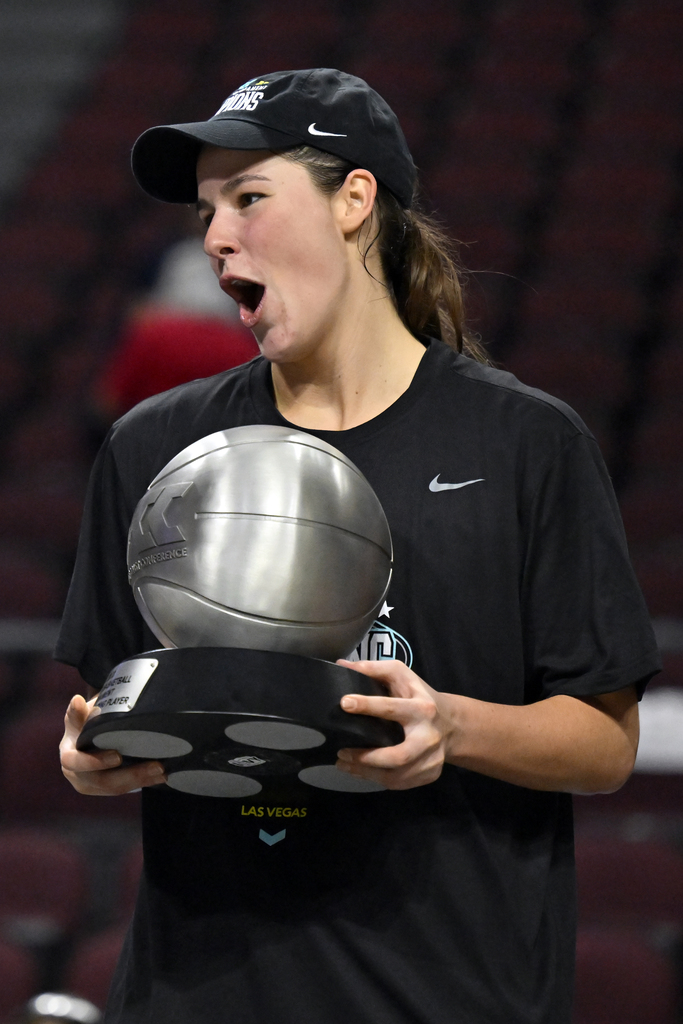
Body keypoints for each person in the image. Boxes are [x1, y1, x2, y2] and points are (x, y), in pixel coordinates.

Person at [57, 68, 660, 1024]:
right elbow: (105, 707)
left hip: (446, 993)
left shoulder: (524, 444)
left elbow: (603, 743)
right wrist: (90, 755)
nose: (216, 238)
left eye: (249, 198)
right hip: (198, 991)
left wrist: (452, 726)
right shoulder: (153, 448)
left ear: (354, 199)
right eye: (208, 211)